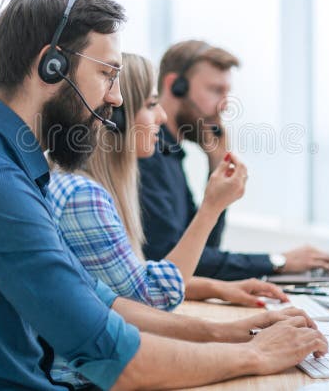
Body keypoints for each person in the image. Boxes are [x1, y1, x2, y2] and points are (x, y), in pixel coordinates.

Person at [0, 0, 327, 390]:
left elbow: (103, 302)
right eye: (107, 74)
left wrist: (229, 332)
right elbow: (118, 361)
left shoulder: (5, 163)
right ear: (53, 67)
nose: (117, 98)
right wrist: (254, 355)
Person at [49, 52, 293, 386]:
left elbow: (121, 286)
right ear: (113, 118)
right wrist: (212, 208)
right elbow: (146, 297)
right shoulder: (84, 195)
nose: (161, 116)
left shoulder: (93, 185)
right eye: (151, 105)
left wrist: (217, 294)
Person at [138, 40, 329, 281]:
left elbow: (201, 249)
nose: (225, 105)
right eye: (215, 90)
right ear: (175, 85)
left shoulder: (171, 155)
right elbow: (172, 259)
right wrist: (278, 262)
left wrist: (215, 166)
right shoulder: (148, 157)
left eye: (226, 92)